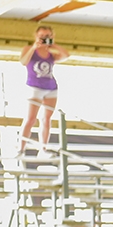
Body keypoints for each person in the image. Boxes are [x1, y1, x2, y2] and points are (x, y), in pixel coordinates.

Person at [18, 25, 69, 153]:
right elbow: (23, 62)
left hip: (51, 87)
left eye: (47, 36)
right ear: (36, 36)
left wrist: (54, 45)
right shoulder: (29, 49)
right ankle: (21, 148)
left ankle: (43, 149)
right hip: (34, 87)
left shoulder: (51, 54)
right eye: (42, 36)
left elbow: (66, 55)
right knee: (31, 119)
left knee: (46, 119)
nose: (44, 39)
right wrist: (34, 47)